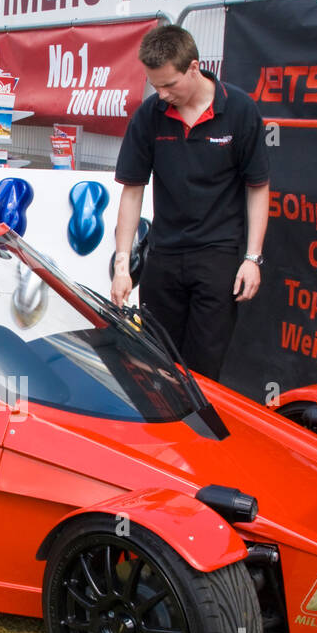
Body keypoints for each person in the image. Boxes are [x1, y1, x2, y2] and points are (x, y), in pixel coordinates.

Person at [111, 24, 270, 382]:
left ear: (194, 67)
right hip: (164, 256)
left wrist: (253, 258)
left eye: (170, 84)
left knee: (202, 373)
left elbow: (258, 187)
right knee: (156, 365)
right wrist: (123, 265)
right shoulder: (149, 116)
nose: (163, 94)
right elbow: (132, 191)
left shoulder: (240, 111)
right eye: (155, 86)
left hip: (217, 258)